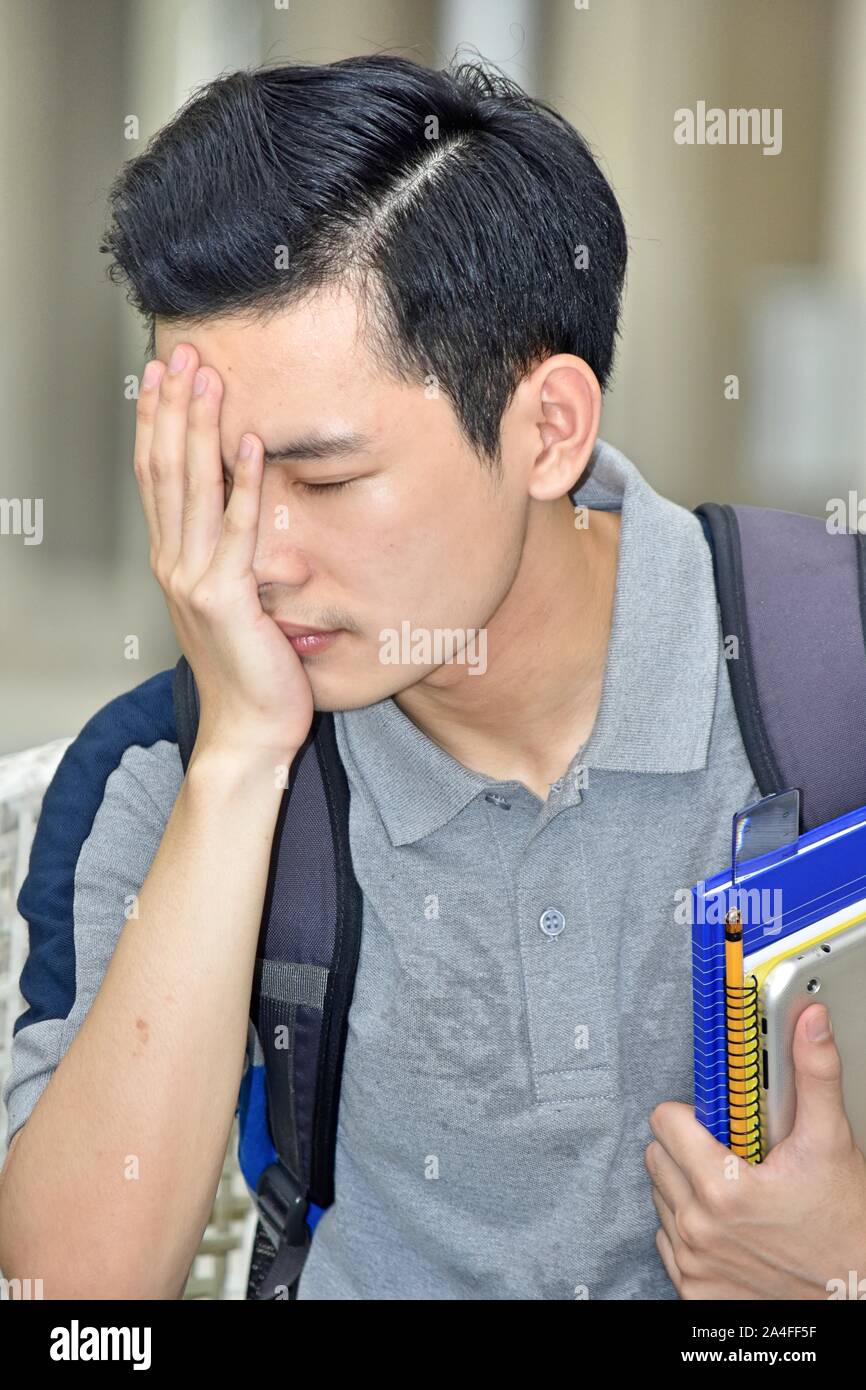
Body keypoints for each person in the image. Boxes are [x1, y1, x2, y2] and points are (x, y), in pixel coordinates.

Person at [1, 54, 864, 1301]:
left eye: (324, 480)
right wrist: (242, 758)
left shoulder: (824, 666)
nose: (258, 559)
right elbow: (81, 1307)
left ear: (546, 430)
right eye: (220, 483)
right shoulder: (164, 764)